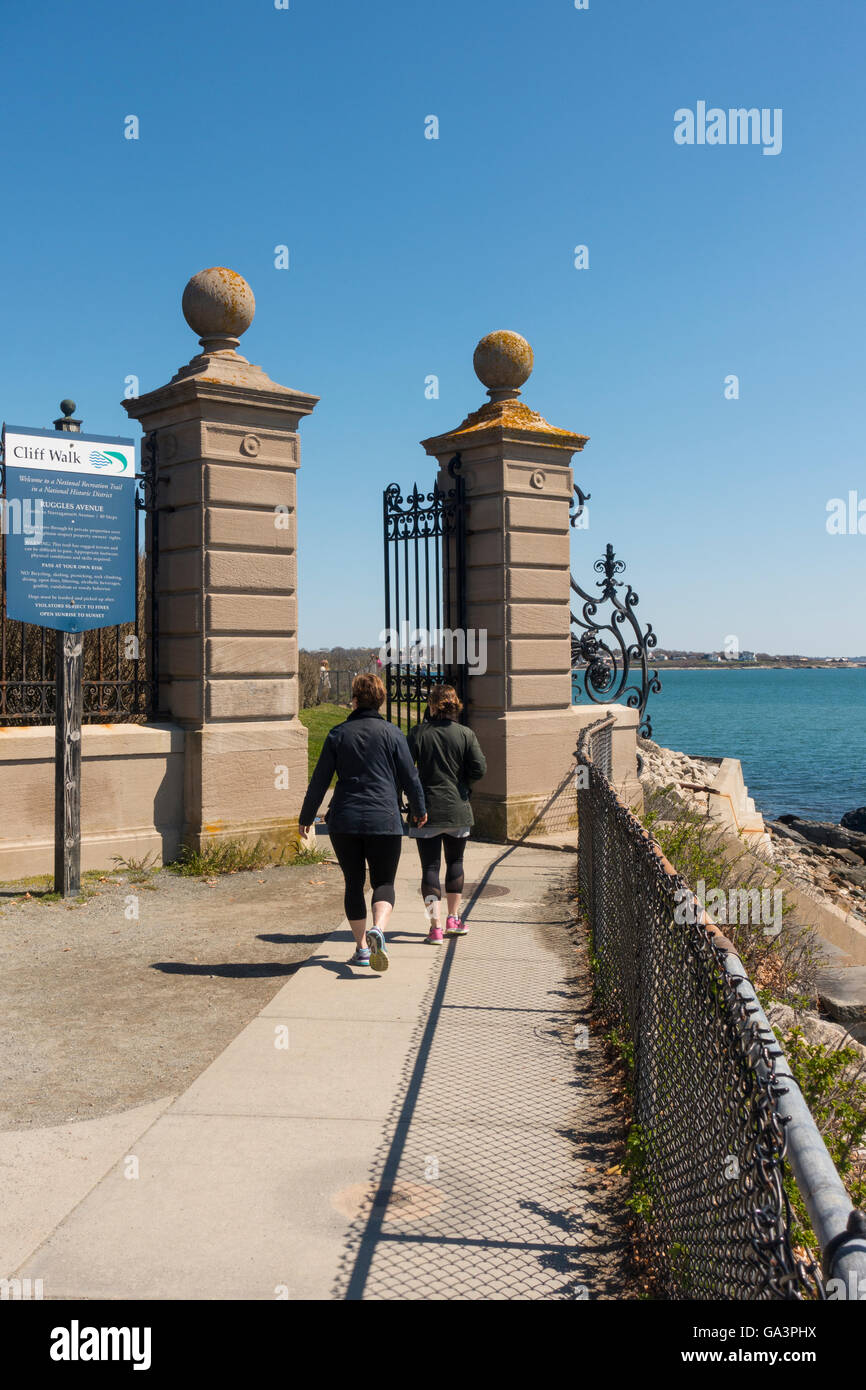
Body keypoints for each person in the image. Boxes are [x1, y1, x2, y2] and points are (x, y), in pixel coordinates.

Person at [299, 673, 426, 971]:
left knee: (354, 883)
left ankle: (361, 949)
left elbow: (319, 781)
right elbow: (411, 776)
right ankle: (378, 930)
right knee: (383, 881)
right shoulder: (393, 734)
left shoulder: (337, 734)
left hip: (345, 820)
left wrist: (306, 817)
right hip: (385, 818)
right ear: (381, 700)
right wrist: (419, 808)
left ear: (354, 700)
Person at [407, 685, 487, 944]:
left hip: (425, 811)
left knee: (429, 868)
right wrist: (463, 784)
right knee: (456, 863)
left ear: (432, 706)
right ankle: (454, 918)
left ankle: (435, 927)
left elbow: (406, 770)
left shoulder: (418, 734)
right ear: (456, 705)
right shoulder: (466, 734)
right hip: (457, 808)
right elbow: (479, 768)